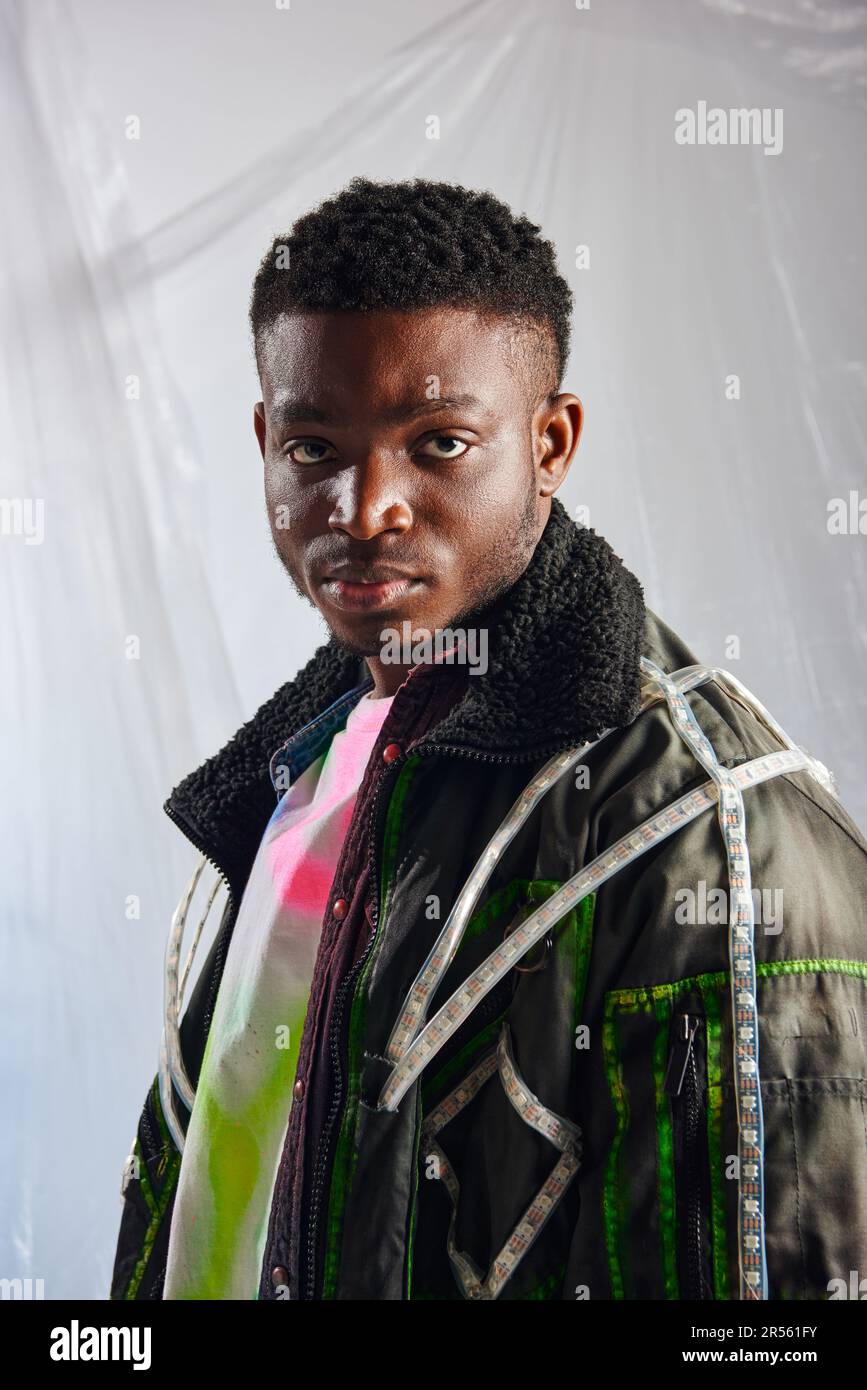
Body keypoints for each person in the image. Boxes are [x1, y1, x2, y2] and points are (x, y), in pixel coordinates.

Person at [110, 176, 867, 1302]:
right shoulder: (295, 772)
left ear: (551, 442)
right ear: (265, 443)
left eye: (440, 442)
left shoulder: (718, 836)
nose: (367, 507)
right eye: (315, 448)